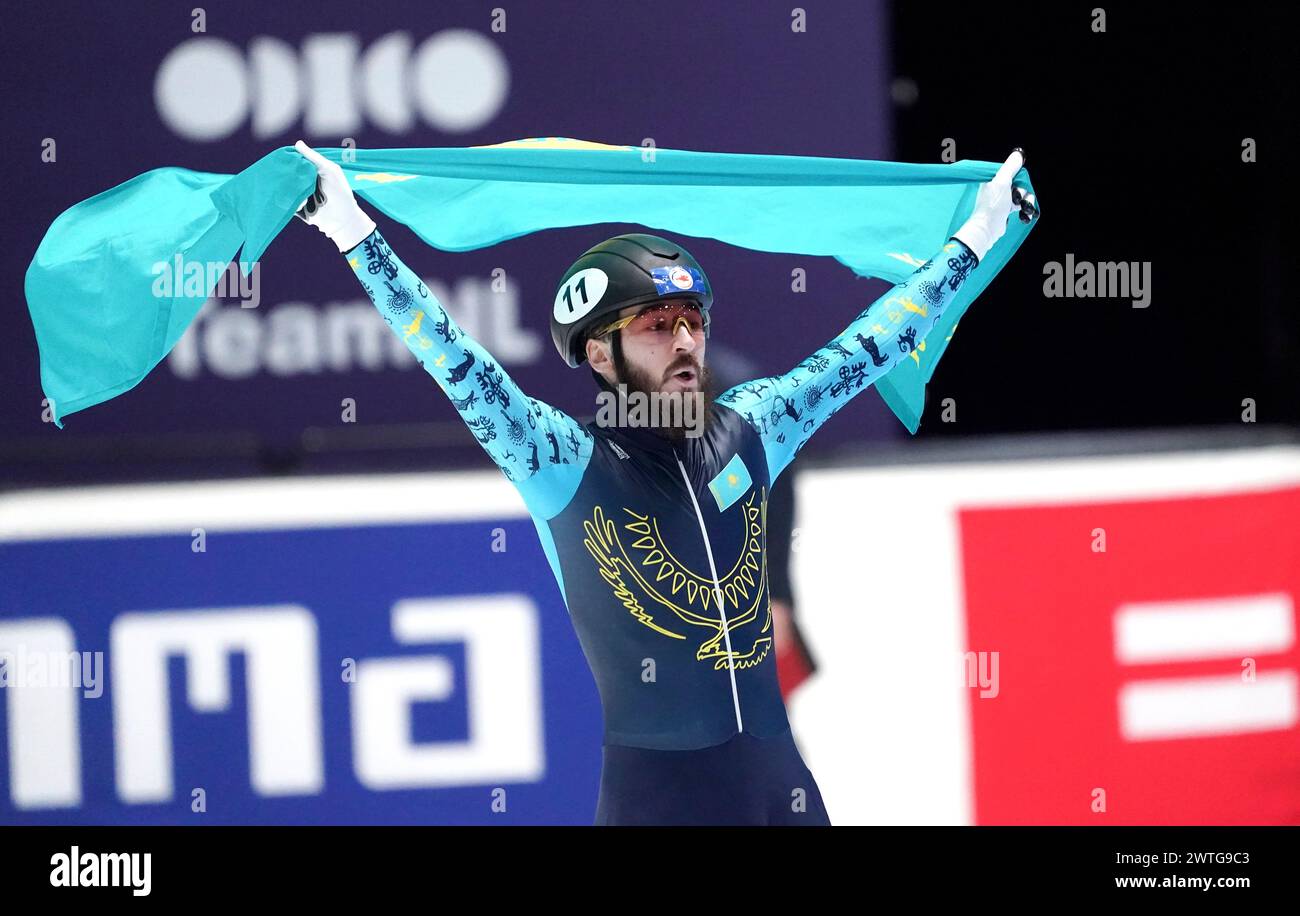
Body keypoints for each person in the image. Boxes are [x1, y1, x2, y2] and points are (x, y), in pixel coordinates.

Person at [293, 140, 1023, 825]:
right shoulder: (562, 463)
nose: (683, 341)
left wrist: (976, 238)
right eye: (654, 324)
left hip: (781, 786)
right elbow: (452, 358)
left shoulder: (756, 425)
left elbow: (874, 340)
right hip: (660, 799)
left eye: (691, 321)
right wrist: (354, 232)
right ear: (599, 353)